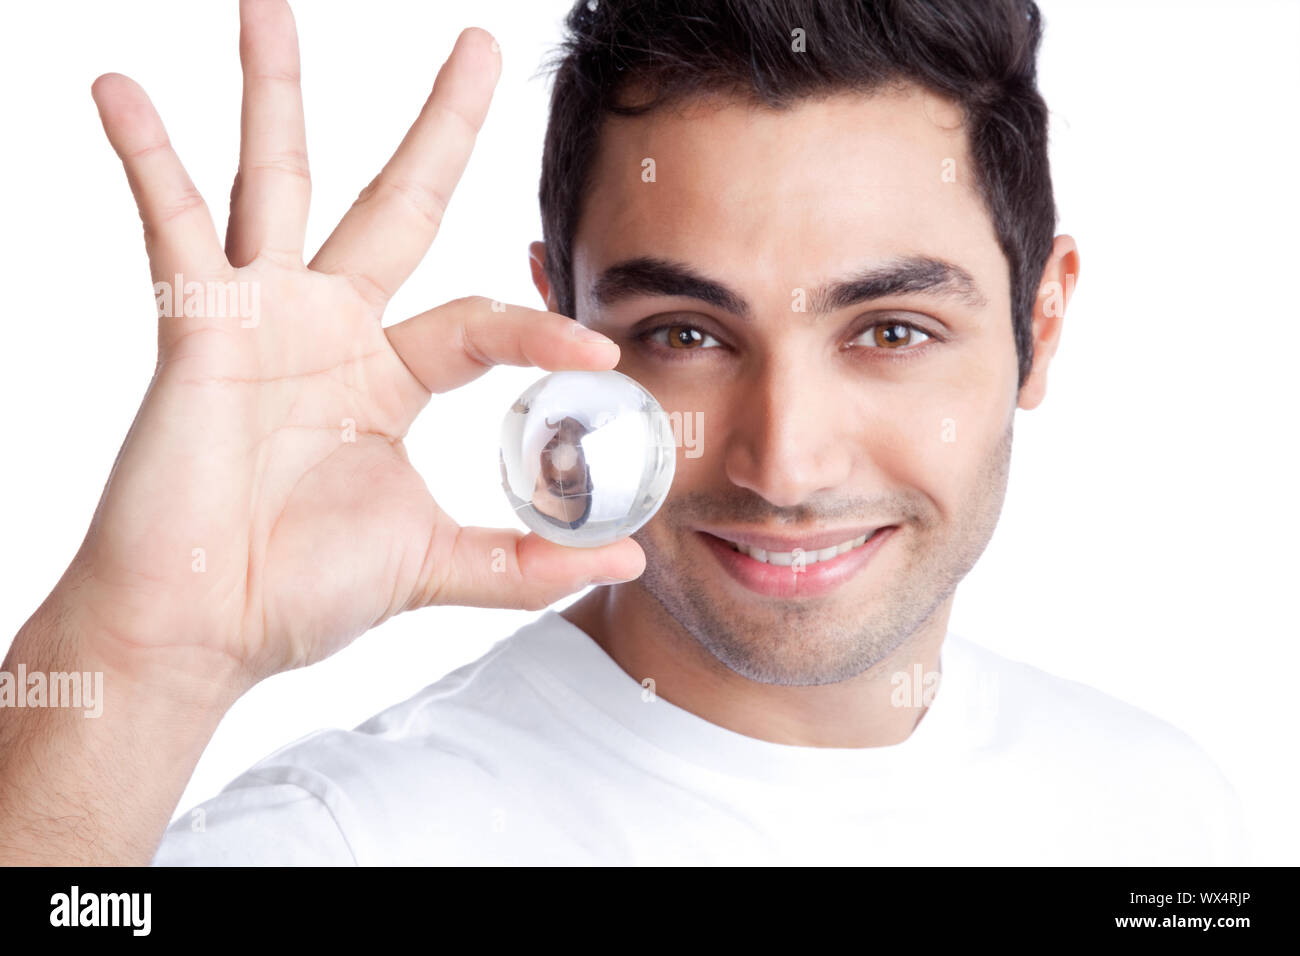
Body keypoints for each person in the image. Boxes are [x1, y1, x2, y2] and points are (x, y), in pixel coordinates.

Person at [0, 0, 1247, 866]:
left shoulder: (1164, 812)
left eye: (891, 331)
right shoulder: (352, 839)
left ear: (1044, 319)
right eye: (687, 334)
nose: (784, 462)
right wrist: (137, 658)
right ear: (558, 324)